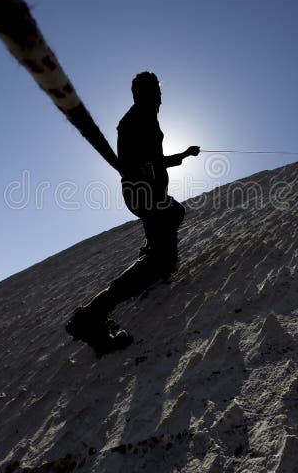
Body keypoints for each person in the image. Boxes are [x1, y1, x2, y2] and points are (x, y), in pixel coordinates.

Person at [65, 71, 200, 355]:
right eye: (157, 93)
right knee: (164, 251)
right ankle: (90, 317)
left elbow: (152, 159)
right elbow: (136, 161)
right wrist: (146, 172)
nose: (160, 98)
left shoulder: (144, 117)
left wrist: (183, 156)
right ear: (146, 94)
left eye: (159, 93)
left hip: (146, 192)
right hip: (144, 192)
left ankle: (150, 259)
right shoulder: (136, 119)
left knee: (172, 217)